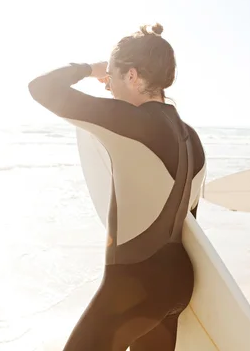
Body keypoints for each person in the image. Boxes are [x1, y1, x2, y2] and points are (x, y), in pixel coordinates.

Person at [28, 23, 207, 350]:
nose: (108, 86)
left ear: (133, 76)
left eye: (112, 77)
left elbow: (41, 88)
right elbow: (190, 222)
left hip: (134, 286)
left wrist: (89, 68)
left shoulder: (131, 122)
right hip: (178, 282)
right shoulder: (191, 138)